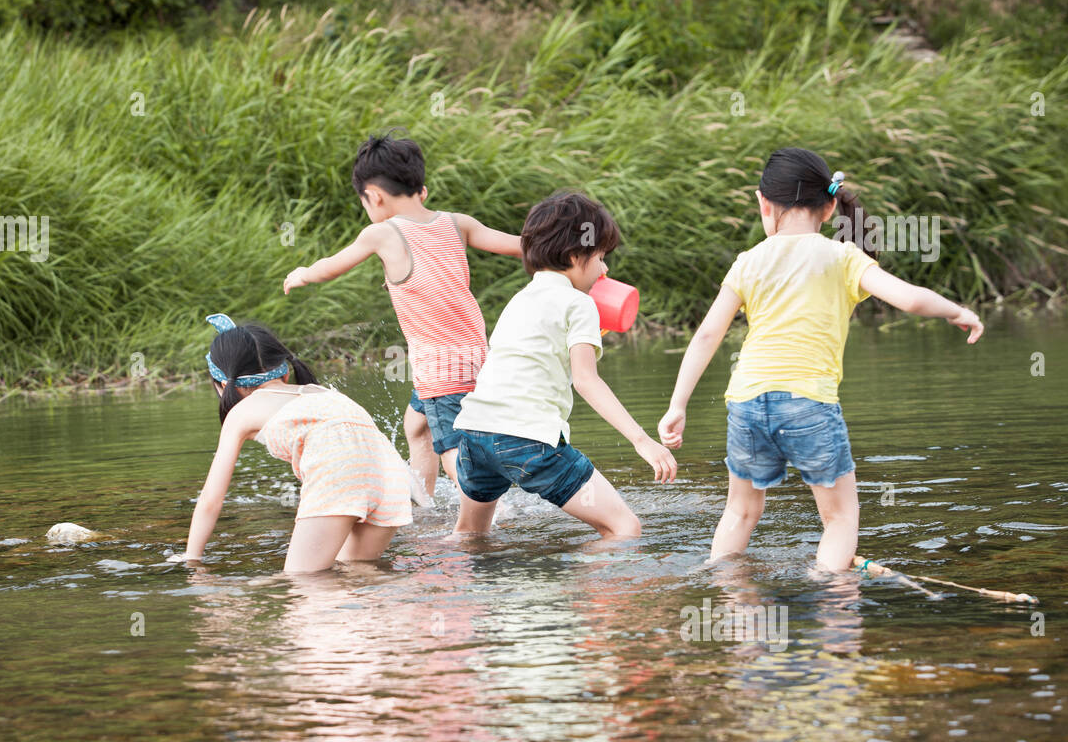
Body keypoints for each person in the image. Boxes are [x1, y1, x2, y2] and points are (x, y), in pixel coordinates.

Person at [657, 147, 984, 570]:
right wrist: (959, 312)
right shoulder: (843, 256)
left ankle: (728, 600)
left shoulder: (748, 261)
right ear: (830, 207)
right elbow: (909, 298)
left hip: (747, 401)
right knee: (839, 518)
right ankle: (833, 613)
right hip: (808, 401)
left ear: (763, 203)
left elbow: (706, 335)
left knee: (739, 513)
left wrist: (677, 405)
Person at [282, 130, 521, 499]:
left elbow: (330, 267)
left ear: (373, 196)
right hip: (476, 357)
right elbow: (520, 247)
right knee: (417, 427)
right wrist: (576, 255)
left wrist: (302, 274)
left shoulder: (382, 234)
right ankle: (423, 506)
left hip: (441, 369)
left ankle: (493, 513)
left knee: (452, 453)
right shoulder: (459, 224)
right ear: (421, 189)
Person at [451, 191, 678, 539]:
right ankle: (571, 589)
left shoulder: (520, 299)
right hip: (527, 439)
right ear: (575, 256)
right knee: (624, 529)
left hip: (475, 432)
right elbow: (586, 381)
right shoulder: (579, 304)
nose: (605, 269)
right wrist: (641, 440)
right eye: (600, 257)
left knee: (469, 536)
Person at [171, 314, 411, 572]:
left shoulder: (241, 414)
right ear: (285, 372)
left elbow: (210, 499)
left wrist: (192, 560)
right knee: (357, 572)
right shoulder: (323, 393)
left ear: (223, 384)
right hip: (391, 475)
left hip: (340, 475)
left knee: (302, 583)